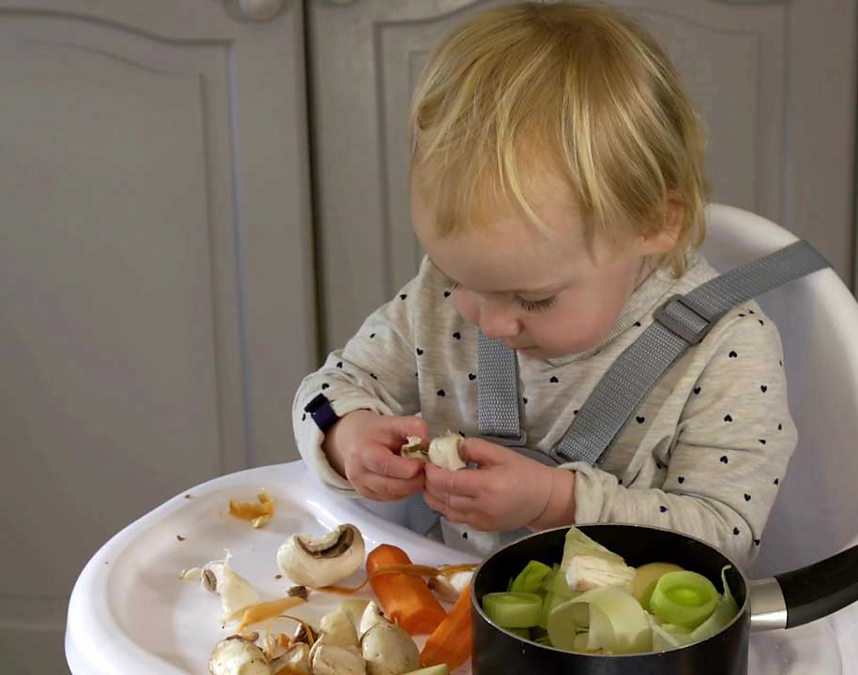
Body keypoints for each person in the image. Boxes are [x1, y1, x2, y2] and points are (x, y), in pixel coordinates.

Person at [293, 1, 795, 567]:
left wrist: (555, 502)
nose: (492, 322)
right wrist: (349, 438)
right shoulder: (439, 301)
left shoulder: (727, 351)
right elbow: (331, 388)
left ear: (656, 224)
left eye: (534, 298)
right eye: (464, 279)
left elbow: (724, 535)